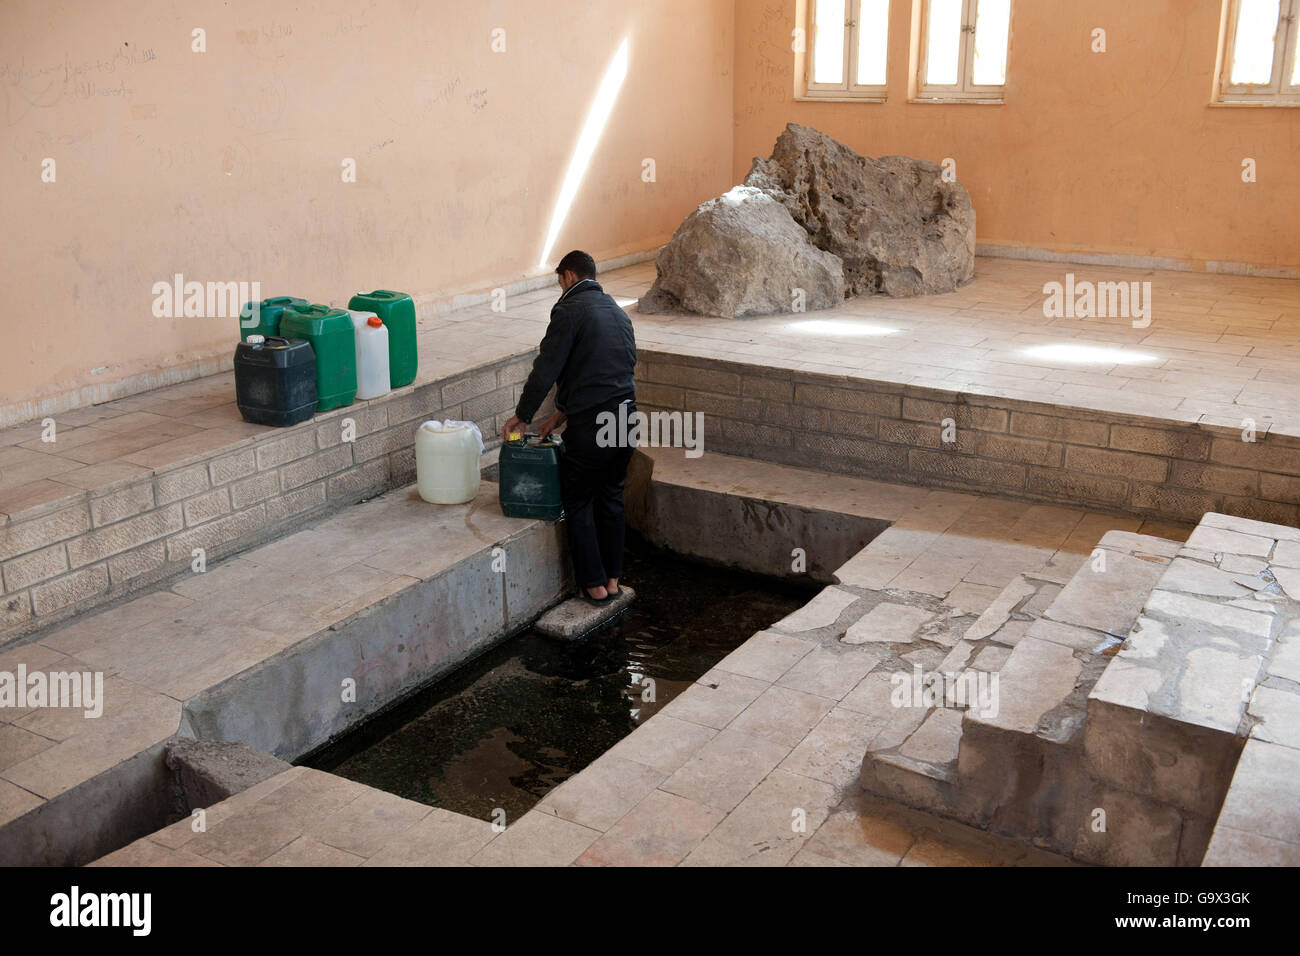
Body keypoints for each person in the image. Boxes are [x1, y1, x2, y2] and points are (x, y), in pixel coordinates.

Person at [502, 250, 638, 605]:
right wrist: (556, 417)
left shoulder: (568, 310)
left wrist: (523, 414)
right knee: (610, 497)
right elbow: (601, 374)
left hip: (593, 425)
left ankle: (591, 585)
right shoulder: (618, 313)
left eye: (559, 280)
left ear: (569, 277)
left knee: (578, 498)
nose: (559, 287)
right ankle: (611, 580)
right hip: (625, 418)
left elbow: (547, 367)